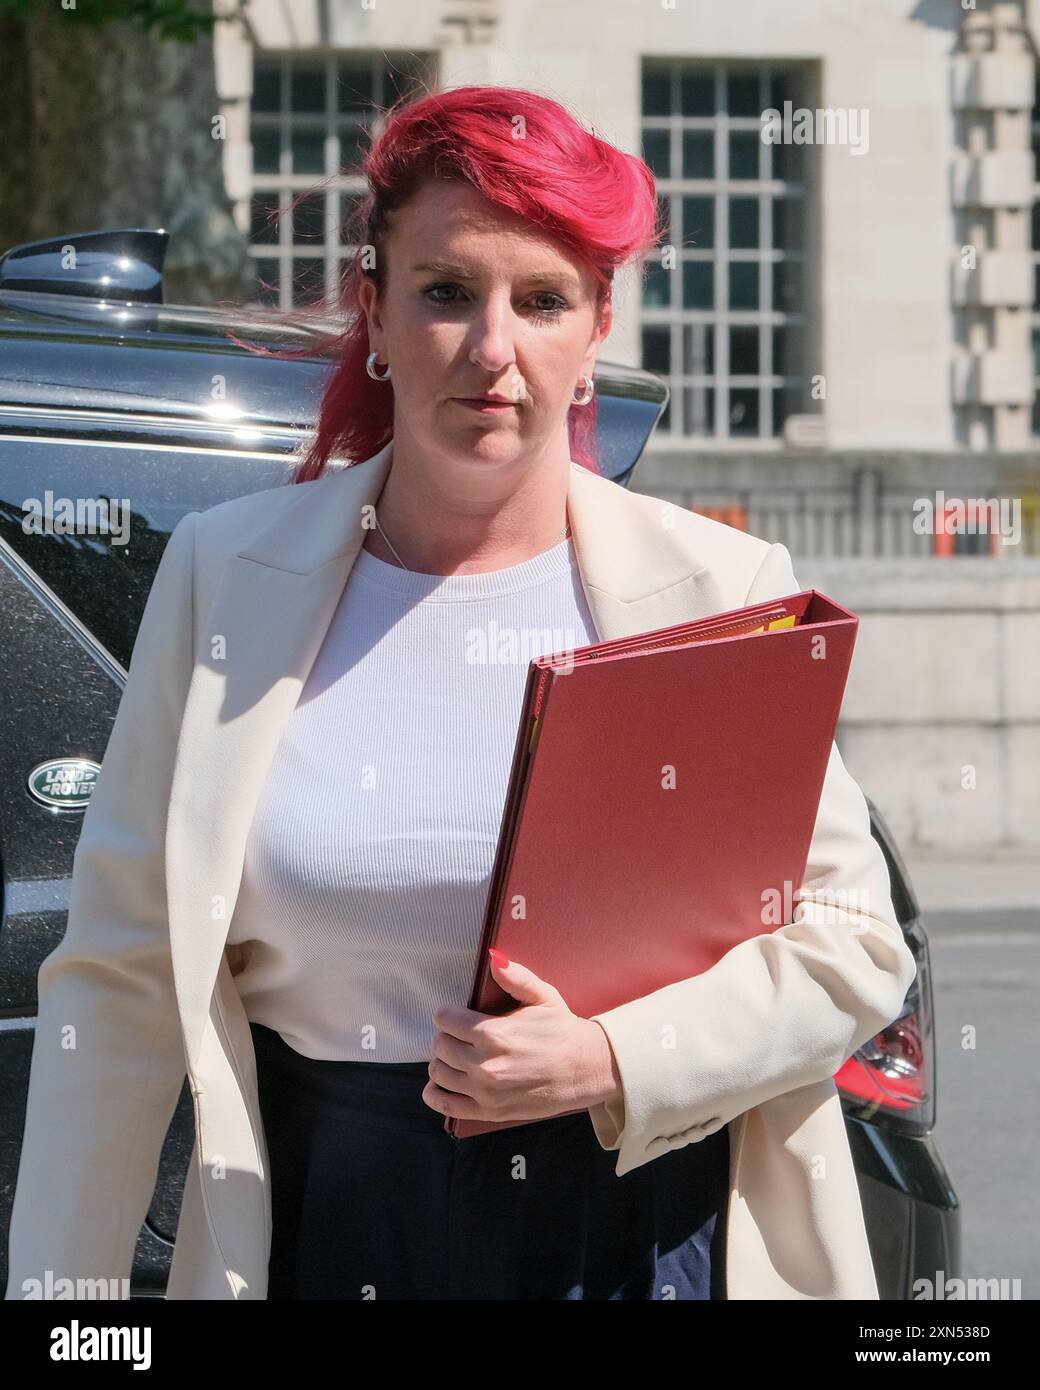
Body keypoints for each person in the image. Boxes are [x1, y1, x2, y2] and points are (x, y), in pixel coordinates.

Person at [5, 84, 916, 1302]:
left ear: (594, 327)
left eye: (539, 300)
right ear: (374, 315)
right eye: (446, 292)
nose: (492, 349)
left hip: (637, 1229)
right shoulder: (227, 577)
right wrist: (66, 1304)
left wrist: (610, 1055)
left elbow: (854, 945)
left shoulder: (717, 585)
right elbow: (116, 976)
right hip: (331, 1225)